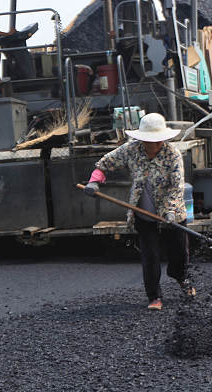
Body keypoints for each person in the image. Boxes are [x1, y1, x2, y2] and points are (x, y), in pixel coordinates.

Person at [83, 112, 193, 310]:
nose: (155, 145)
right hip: (143, 212)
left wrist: (169, 211)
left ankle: (182, 279)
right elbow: (103, 164)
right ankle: (154, 297)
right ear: (142, 139)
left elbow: (176, 187)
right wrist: (94, 181)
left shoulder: (173, 154)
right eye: (151, 141)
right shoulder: (131, 150)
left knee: (179, 254)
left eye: (159, 141)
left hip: (172, 214)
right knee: (150, 256)